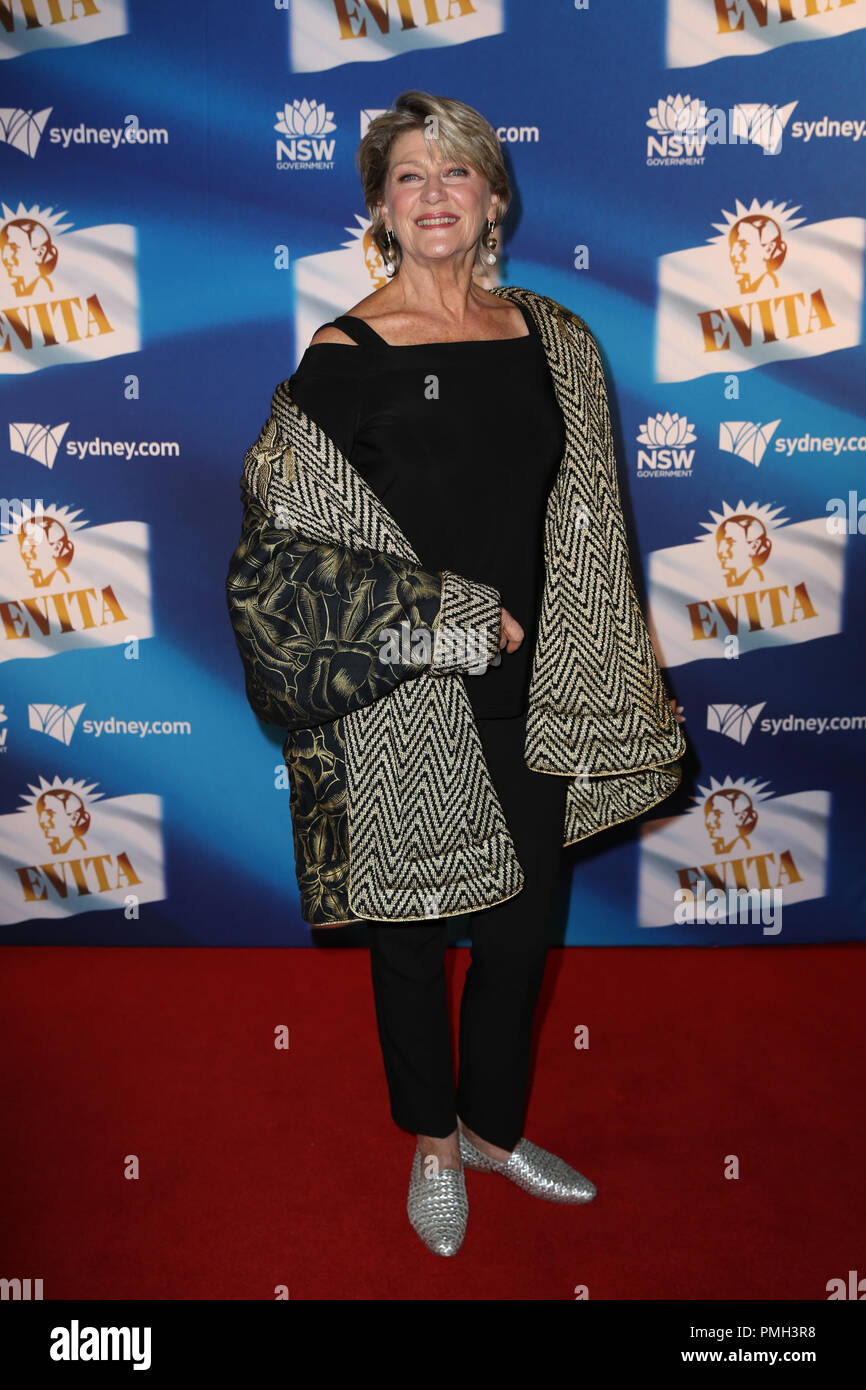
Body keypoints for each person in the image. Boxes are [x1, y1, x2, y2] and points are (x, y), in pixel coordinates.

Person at [225, 89, 685, 1258]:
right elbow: (279, 567)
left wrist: (612, 646)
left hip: (535, 693)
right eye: (408, 177)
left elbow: (586, 519)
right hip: (404, 694)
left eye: (456, 174)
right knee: (412, 939)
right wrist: (447, 616)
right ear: (380, 207)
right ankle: (430, 1146)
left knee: (524, 934)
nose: (434, 195)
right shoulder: (343, 356)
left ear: (492, 201)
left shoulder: (552, 339)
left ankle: (489, 1127)